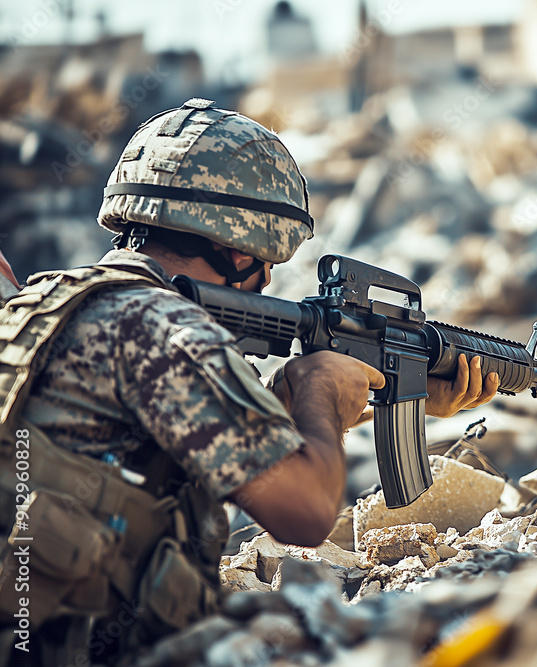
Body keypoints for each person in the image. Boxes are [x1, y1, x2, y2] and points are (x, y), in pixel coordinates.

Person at [0, 98, 499, 666]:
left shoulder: (47, 302)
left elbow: (184, 436)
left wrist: (392, 395)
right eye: (267, 262)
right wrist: (318, 391)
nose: (266, 281)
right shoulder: (171, 332)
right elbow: (305, 513)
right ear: (236, 249)